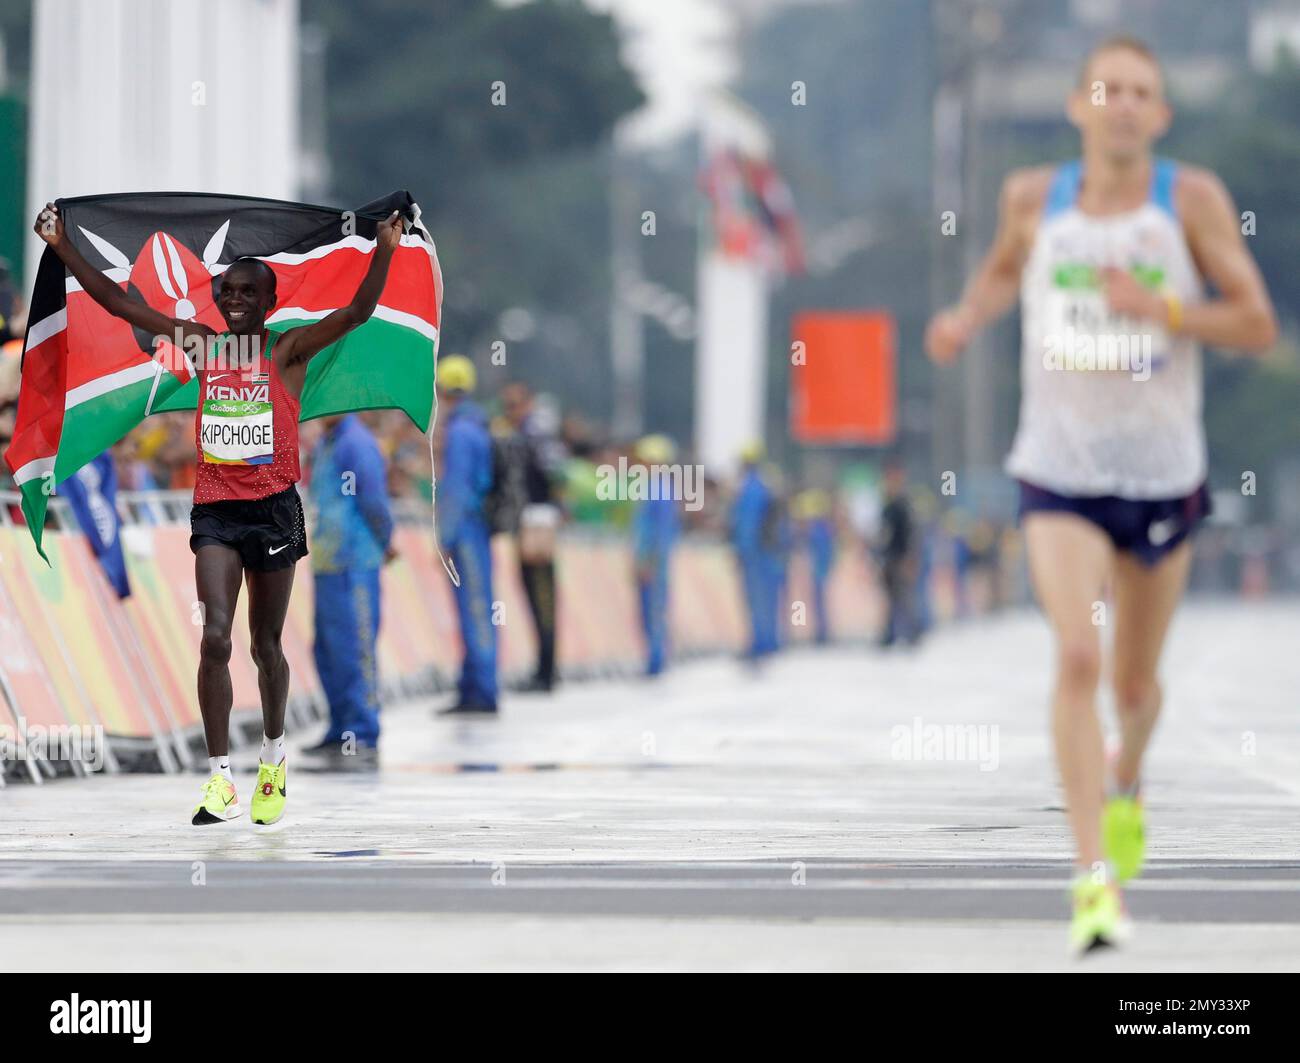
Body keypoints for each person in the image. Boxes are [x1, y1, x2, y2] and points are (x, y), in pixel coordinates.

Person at [923, 36, 1277, 953]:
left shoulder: (1189, 201)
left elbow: (1254, 319)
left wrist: (1162, 309)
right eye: (1106, 89)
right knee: (1078, 656)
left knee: (1135, 681)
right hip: (1058, 468)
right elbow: (1005, 265)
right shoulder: (1031, 199)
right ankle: (1092, 881)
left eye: (1140, 94)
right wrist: (967, 315)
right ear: (1078, 105)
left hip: (1161, 472)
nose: (1121, 105)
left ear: (1159, 116)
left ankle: (1130, 781)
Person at [34, 201, 403, 825]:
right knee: (213, 636)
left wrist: (386, 249)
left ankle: (273, 758)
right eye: (226, 291)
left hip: (276, 509)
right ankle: (219, 777)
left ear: (268, 300)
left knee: (266, 645)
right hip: (216, 511)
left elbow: (357, 313)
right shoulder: (203, 346)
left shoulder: (288, 352)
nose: (234, 300)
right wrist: (65, 246)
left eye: (246, 292)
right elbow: (126, 308)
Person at [303, 414, 394, 770]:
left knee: (357, 647)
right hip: (328, 561)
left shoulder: (356, 443)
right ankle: (340, 729)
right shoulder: (327, 443)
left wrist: (385, 540)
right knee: (328, 650)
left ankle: (363, 731)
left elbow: (373, 499)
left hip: (355, 560)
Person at [433, 355, 499, 715]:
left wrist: (444, 538)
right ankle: (473, 687)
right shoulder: (476, 425)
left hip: (467, 531)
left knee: (474, 609)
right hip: (475, 527)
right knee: (476, 608)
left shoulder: (460, 432)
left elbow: (456, 490)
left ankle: (482, 692)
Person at [493, 381, 562, 692]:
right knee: (535, 596)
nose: (511, 412)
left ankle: (546, 672)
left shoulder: (534, 434)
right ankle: (545, 668)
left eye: (516, 404)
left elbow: (554, 475)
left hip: (537, 521)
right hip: (530, 519)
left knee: (542, 596)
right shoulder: (525, 434)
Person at [631, 434, 681, 676]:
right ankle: (656, 656)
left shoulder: (657, 488)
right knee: (652, 608)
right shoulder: (654, 486)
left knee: (653, 609)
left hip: (653, 560)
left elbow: (657, 531)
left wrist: (648, 560)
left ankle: (656, 658)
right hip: (653, 559)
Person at [729, 442, 779, 662]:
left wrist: (742, 551)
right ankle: (768, 641)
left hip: (755, 554)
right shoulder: (764, 486)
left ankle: (760, 642)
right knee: (766, 601)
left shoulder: (750, 490)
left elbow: (747, 525)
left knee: (756, 599)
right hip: (765, 553)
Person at [875, 461, 918, 648]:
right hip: (889, 558)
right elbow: (883, 534)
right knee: (890, 598)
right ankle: (890, 635)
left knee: (903, 598)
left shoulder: (903, 505)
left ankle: (911, 633)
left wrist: (909, 558)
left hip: (900, 558)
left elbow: (910, 534)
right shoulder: (887, 506)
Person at [794, 489, 835, 645]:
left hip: (818, 571)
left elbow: (821, 552)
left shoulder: (818, 530)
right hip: (818, 570)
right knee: (817, 602)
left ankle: (821, 633)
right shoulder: (822, 529)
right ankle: (820, 632)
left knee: (817, 602)